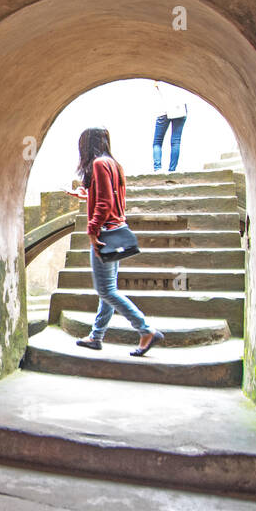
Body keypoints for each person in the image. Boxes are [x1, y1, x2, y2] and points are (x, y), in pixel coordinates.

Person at [74, 127, 164, 356]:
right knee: (108, 290)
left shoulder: (98, 164)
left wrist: (92, 230)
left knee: (105, 291)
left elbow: (105, 203)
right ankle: (96, 336)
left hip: (105, 234)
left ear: (87, 145)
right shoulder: (114, 164)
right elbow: (111, 197)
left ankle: (145, 329)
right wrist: (84, 195)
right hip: (117, 230)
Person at [151, 80, 187, 172]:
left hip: (163, 110)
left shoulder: (159, 79)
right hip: (180, 108)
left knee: (157, 142)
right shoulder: (179, 77)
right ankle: (172, 170)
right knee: (175, 142)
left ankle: (157, 169)